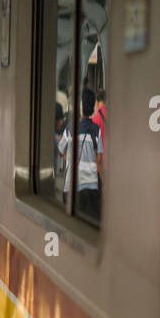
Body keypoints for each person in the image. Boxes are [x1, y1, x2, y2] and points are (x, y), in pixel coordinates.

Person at [57, 88, 104, 221]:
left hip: (72, 185)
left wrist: (68, 157)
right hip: (91, 187)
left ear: (81, 106)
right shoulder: (96, 130)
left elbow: (61, 150)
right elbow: (99, 159)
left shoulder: (70, 129)